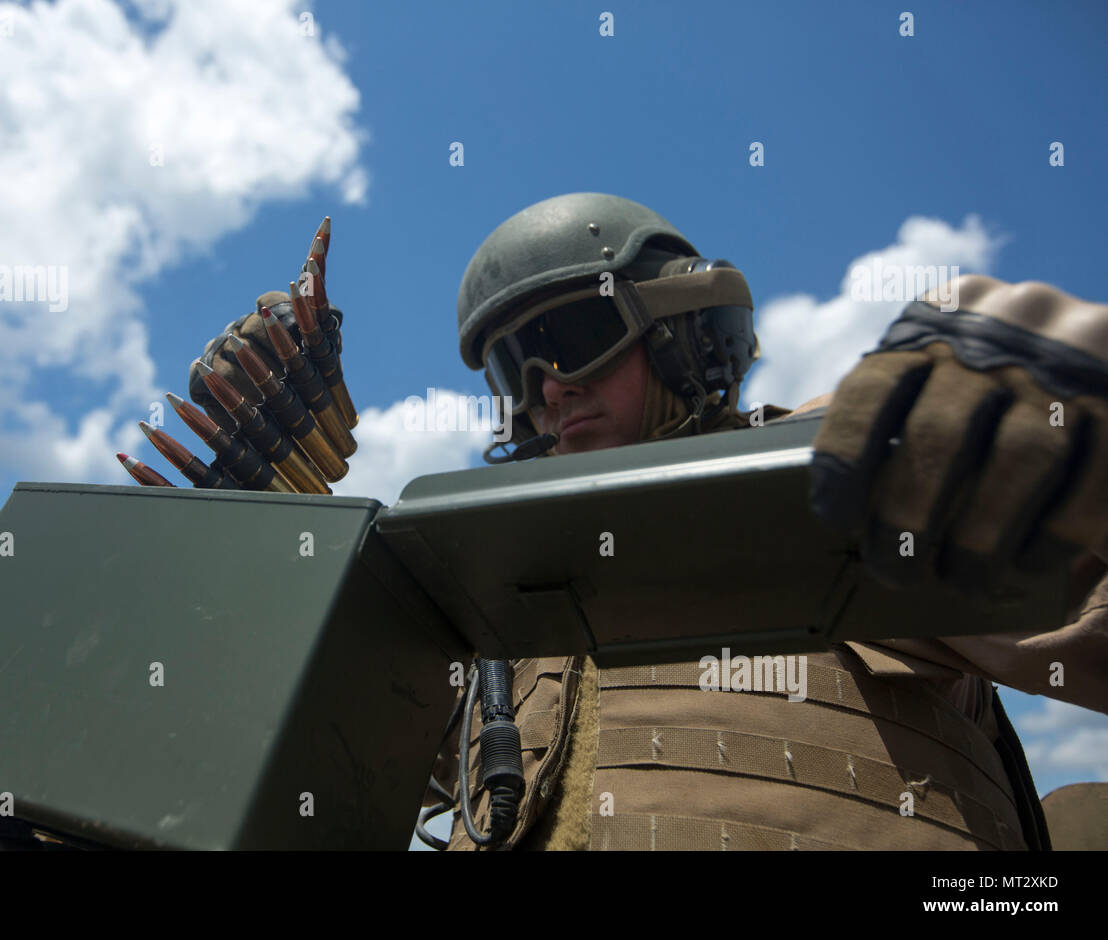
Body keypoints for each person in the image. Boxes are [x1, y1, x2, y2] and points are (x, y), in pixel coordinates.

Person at [419, 192, 1108, 850]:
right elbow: (369, 750)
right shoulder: (503, 600)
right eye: (515, 368)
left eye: (571, 337)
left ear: (680, 334)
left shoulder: (839, 471)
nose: (549, 388)